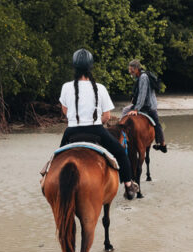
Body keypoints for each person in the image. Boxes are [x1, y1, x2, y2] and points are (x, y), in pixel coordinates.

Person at [59, 49, 138, 199]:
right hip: (96, 131)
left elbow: (65, 110)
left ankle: (45, 177)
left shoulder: (66, 87)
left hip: (71, 131)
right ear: (91, 67)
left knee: (55, 160)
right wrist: (94, 122)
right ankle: (128, 186)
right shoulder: (100, 88)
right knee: (121, 153)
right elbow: (107, 116)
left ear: (74, 67)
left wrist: (76, 121)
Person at [121, 59, 167, 152]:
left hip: (149, 105)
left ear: (137, 69)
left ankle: (162, 144)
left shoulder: (143, 77)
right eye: (129, 70)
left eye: (131, 70)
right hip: (141, 104)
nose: (130, 72)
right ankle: (121, 132)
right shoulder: (138, 77)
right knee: (125, 110)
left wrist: (136, 109)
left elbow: (143, 94)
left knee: (156, 123)